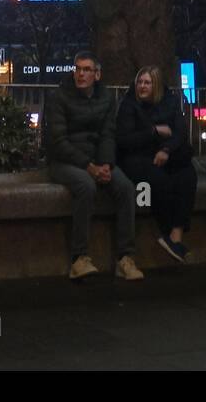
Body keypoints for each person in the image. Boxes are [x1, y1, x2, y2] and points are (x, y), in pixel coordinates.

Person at [44, 50, 144, 280]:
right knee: (85, 187)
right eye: (77, 69)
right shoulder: (59, 97)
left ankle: (125, 258)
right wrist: (89, 167)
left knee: (126, 188)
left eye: (86, 70)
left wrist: (107, 164)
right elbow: (58, 142)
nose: (80, 74)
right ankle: (79, 259)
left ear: (96, 74)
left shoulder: (106, 97)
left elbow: (108, 133)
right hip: (66, 161)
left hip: (97, 160)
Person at [115, 65, 198, 262]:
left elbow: (180, 132)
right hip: (137, 157)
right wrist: (153, 131)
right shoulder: (128, 105)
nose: (142, 86)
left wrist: (166, 150)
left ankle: (175, 237)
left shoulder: (170, 102)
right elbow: (125, 140)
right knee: (160, 181)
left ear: (157, 85)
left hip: (163, 154)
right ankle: (167, 230)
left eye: (147, 83)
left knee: (188, 176)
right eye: (140, 82)